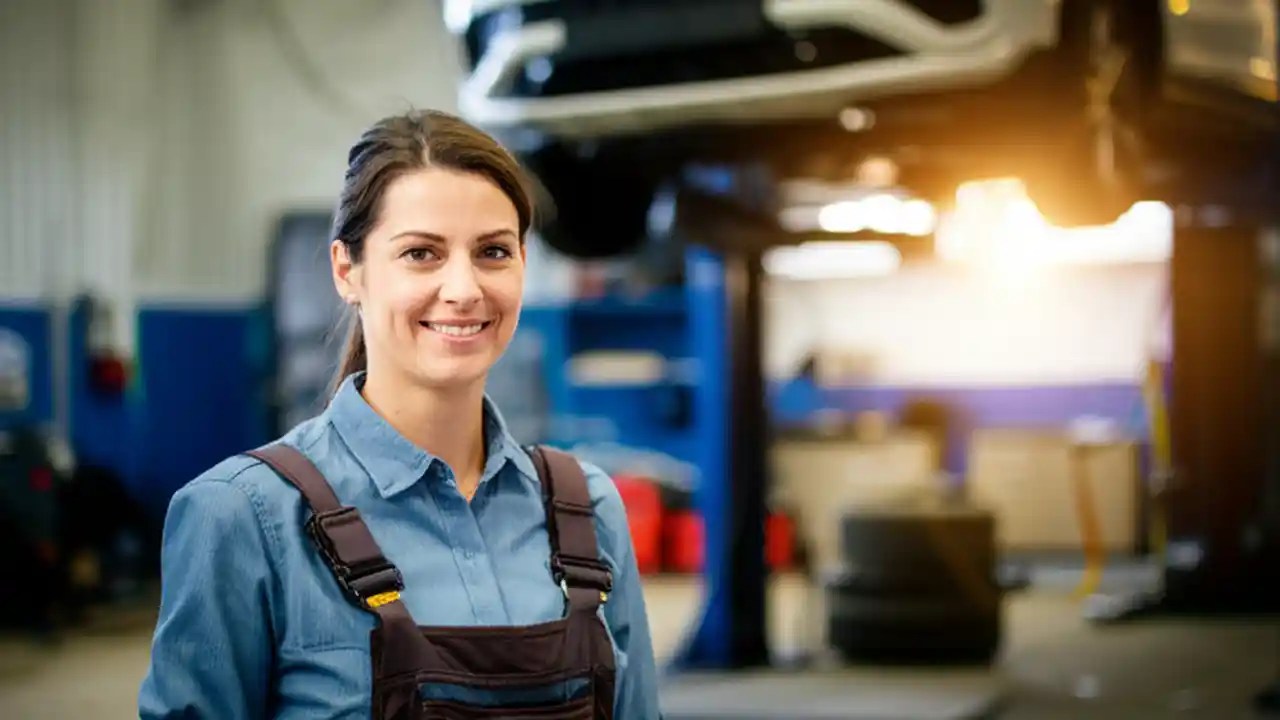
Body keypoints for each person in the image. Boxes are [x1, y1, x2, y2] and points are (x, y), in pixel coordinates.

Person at [138, 109, 662, 719]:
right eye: (421, 254)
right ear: (347, 270)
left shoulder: (587, 509)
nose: (464, 289)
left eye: (493, 251)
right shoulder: (244, 518)